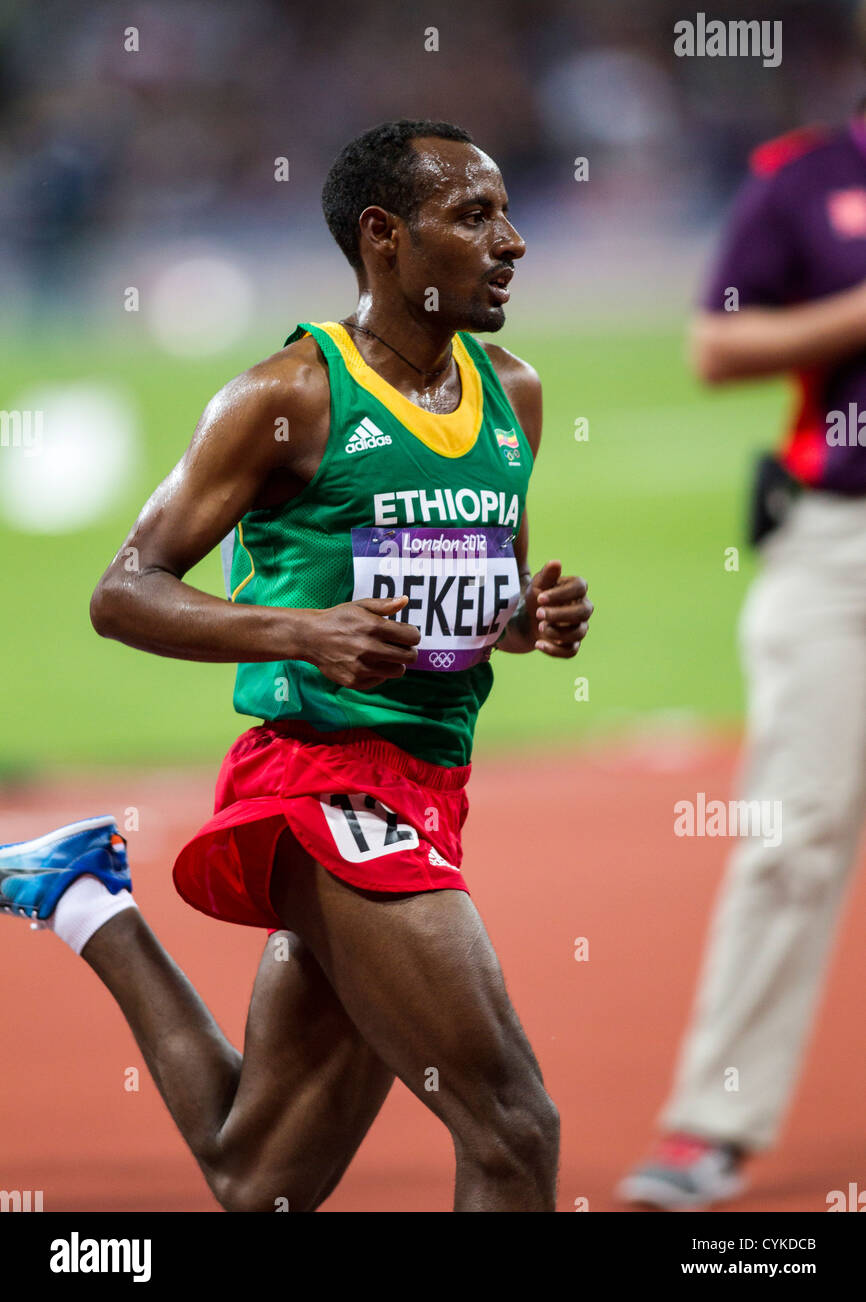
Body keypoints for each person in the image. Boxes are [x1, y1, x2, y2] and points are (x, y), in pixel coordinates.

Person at [0, 119, 593, 1213]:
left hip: (430, 784)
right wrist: (302, 632)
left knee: (260, 1177)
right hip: (324, 784)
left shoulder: (513, 391)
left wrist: (526, 617)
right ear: (383, 236)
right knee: (512, 1125)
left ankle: (84, 898)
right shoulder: (284, 397)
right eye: (473, 215)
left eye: (505, 213)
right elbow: (122, 589)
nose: (510, 240)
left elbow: (475, 595)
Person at [619, 100, 866, 1209]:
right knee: (789, 836)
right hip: (838, 546)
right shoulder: (802, 179)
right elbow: (713, 344)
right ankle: (710, 1125)